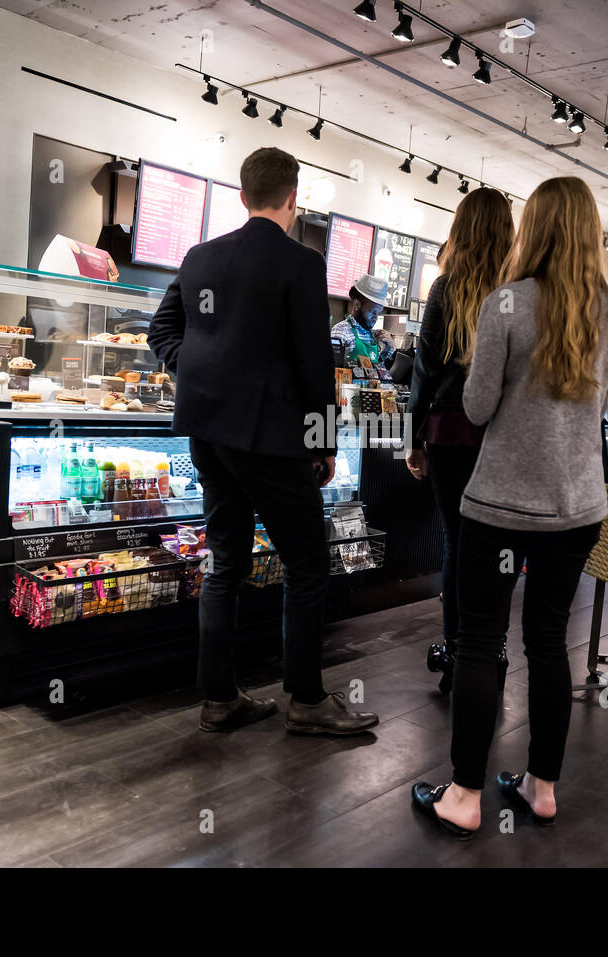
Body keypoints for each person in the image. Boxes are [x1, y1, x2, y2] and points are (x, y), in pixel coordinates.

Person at [410, 176, 608, 837]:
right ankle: (541, 786)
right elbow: (605, 405)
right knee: (547, 641)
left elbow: (476, 407)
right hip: (577, 506)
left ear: (531, 228)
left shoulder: (507, 304)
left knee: (480, 643)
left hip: (501, 504)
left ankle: (465, 796)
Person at [148, 146, 379, 736]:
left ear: (242, 194)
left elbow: (162, 329)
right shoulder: (301, 263)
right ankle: (305, 701)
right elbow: (312, 361)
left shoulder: (200, 256)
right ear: (293, 197)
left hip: (207, 434)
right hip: (272, 441)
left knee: (225, 563)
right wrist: (323, 443)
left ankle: (220, 700)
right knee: (306, 567)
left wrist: (195, 373)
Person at [404, 187, 515, 693]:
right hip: (502, 436)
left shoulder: (446, 288)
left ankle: (455, 653)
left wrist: (413, 438)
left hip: (449, 432)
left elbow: (424, 371)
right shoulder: (518, 292)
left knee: (455, 542)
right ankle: (492, 650)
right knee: (496, 547)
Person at [331, 274, 395, 368]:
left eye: (378, 313)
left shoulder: (373, 336)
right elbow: (331, 369)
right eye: (372, 312)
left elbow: (375, 368)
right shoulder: (341, 331)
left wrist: (389, 347)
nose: (376, 317)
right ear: (357, 304)